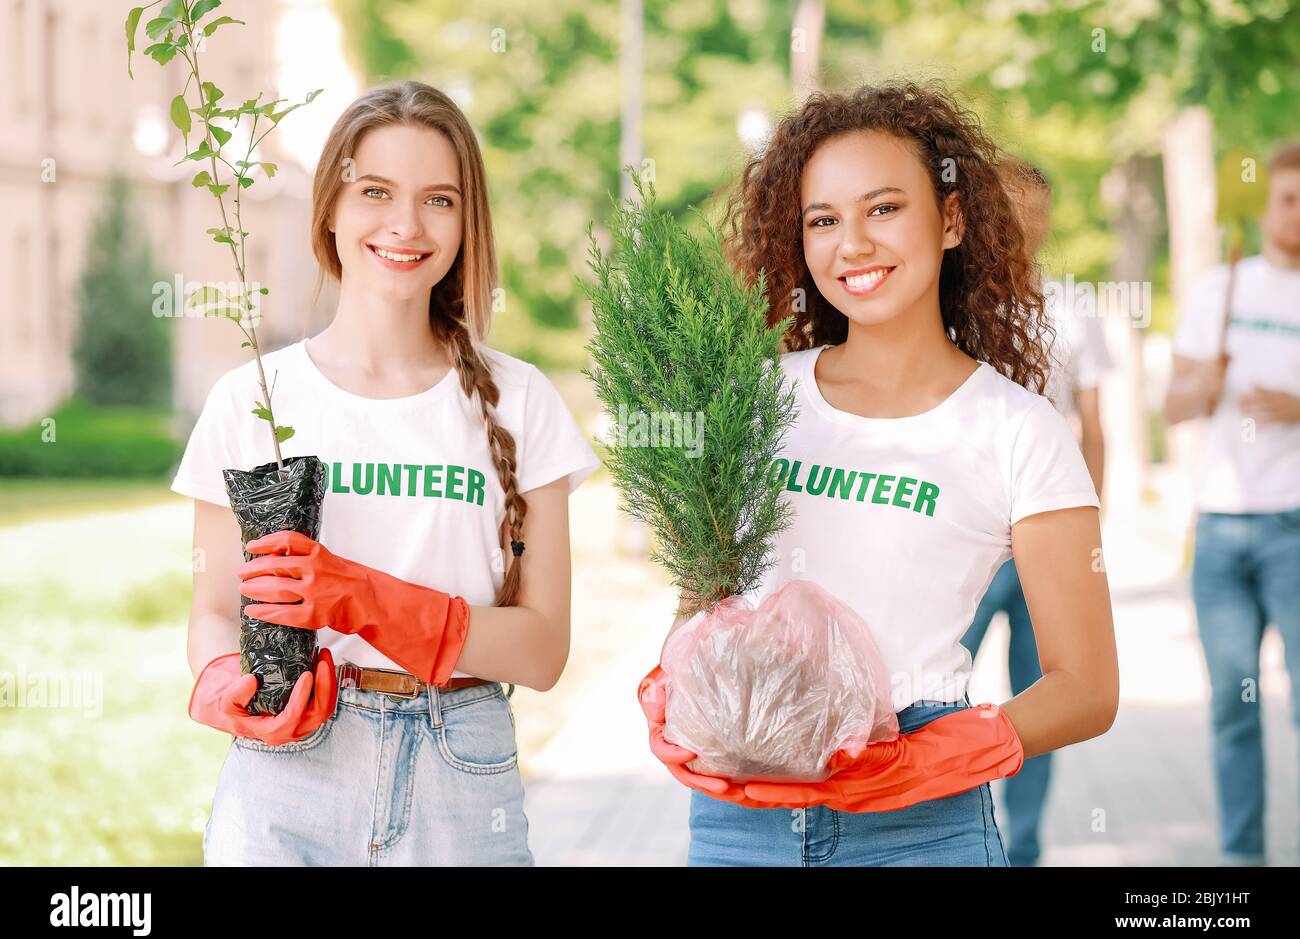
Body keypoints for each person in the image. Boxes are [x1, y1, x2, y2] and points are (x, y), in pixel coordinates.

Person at [638, 81, 1119, 866]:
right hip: (741, 818)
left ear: (952, 219)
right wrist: (674, 692)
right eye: (823, 220)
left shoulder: (1020, 431)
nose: (851, 244)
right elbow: (703, 600)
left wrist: (926, 762)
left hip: (920, 826)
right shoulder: (753, 398)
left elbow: (1087, 688)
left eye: (883, 209)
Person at [171, 80, 600, 866]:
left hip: (460, 775)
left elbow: (541, 651)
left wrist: (367, 600)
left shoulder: (522, 402)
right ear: (329, 206)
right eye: (375, 191)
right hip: (287, 773)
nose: (406, 225)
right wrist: (222, 679)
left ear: (468, 224)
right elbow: (211, 610)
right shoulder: (253, 401)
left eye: (439, 199)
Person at [958, 158, 1113, 867]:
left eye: (1041, 212)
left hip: (1047, 544)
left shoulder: (1073, 306)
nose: (1031, 225)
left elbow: (1093, 425)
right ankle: (949, 828)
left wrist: (1091, 533)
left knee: (1045, 701)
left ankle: (1021, 849)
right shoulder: (955, 305)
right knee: (934, 685)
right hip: (972, 540)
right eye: (1017, 210)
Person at [1162, 141, 1300, 866]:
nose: (1297, 214)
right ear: (1270, 202)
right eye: (1288, 199)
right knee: (1232, 708)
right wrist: (1202, 386)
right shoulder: (1223, 289)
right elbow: (1174, 407)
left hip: (1296, 528)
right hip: (1220, 529)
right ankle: (1243, 863)